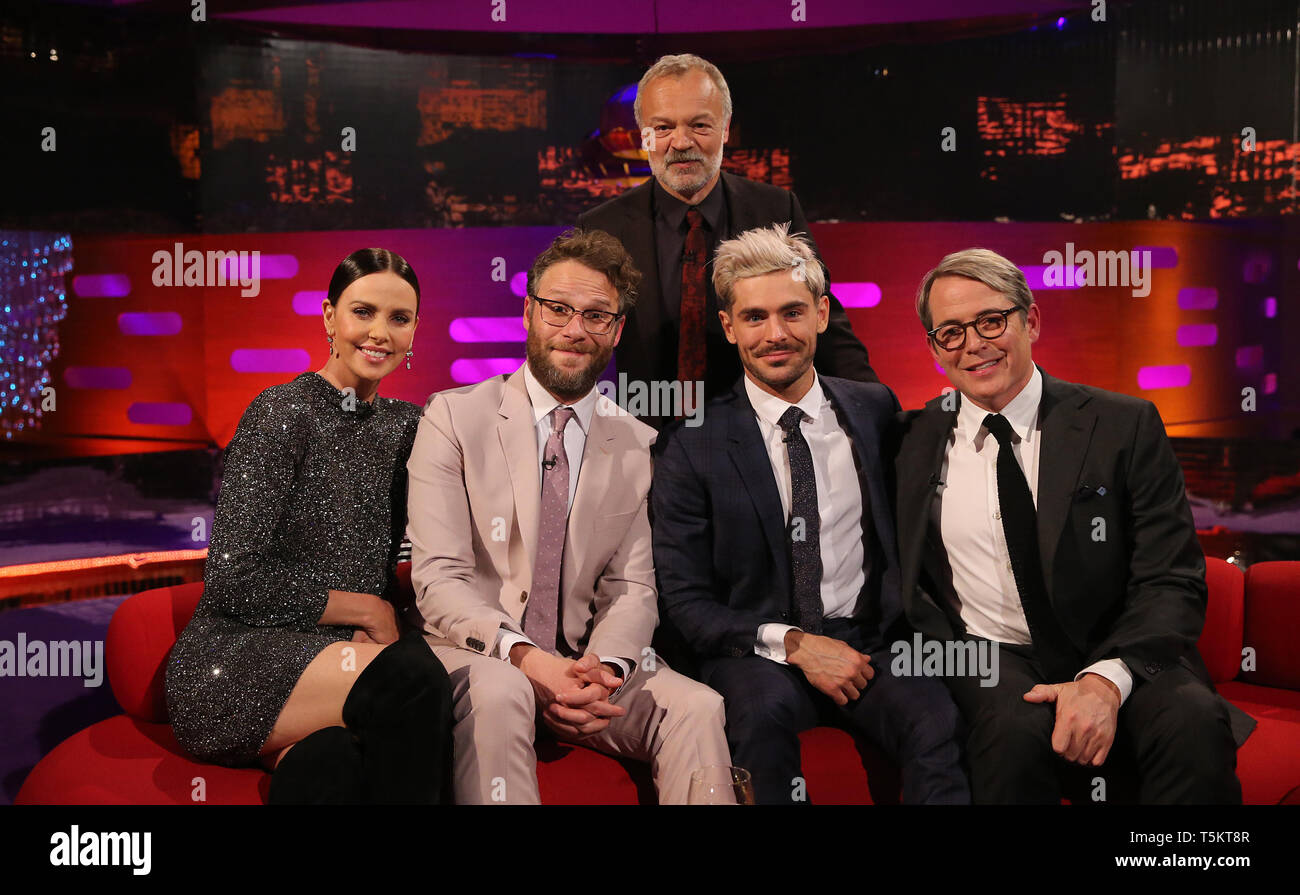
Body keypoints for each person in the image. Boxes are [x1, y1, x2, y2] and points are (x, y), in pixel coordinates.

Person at [892, 247, 1249, 804]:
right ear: (935, 350)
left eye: (991, 321)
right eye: (951, 333)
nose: (974, 345)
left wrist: (1106, 678)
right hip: (990, 657)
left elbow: (1172, 579)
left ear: (1030, 319)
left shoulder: (1122, 424)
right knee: (1010, 737)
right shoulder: (908, 441)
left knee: (1193, 723)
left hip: (1120, 645)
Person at [406, 228, 731, 804]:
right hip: (477, 653)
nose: (575, 329)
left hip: (581, 664)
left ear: (617, 329)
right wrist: (529, 660)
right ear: (529, 312)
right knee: (504, 690)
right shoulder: (454, 418)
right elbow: (439, 581)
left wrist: (603, 669)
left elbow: (632, 587)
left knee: (699, 707)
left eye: (596, 315)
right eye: (558, 309)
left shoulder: (636, 441)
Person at [651, 223, 968, 805]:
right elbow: (683, 602)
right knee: (760, 718)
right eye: (754, 317)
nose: (776, 334)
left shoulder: (874, 409)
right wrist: (793, 643)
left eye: (793, 312)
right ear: (728, 327)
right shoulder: (689, 443)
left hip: (868, 641)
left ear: (822, 313)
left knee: (937, 721)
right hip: (755, 651)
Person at [166, 248, 452, 804]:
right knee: (414, 683)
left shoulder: (409, 426)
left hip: (337, 664)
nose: (379, 333)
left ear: (417, 330)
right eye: (362, 312)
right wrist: (366, 607)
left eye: (399, 319)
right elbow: (233, 578)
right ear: (329, 318)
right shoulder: (282, 412)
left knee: (333, 764)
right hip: (239, 659)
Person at [579, 53, 875, 424]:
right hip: (644, 436)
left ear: (725, 129)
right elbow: (580, 343)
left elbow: (825, 328)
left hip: (758, 436)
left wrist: (876, 415)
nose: (681, 142)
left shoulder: (775, 209)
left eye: (700, 125)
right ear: (644, 134)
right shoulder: (601, 228)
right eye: (663, 127)